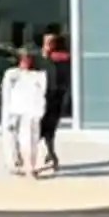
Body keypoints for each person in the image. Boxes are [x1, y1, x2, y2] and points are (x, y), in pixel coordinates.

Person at [2, 49, 48, 178]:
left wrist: (41, 111)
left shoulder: (38, 75)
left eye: (29, 59)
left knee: (32, 140)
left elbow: (42, 93)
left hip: (32, 112)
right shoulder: (12, 75)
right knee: (18, 138)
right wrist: (8, 114)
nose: (26, 62)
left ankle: (30, 166)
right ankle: (19, 163)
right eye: (24, 59)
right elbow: (7, 95)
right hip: (17, 111)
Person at [38, 32, 72, 171]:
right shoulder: (39, 59)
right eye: (46, 42)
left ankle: (50, 154)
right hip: (39, 99)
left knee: (49, 128)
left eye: (50, 42)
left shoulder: (61, 59)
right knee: (38, 129)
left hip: (55, 98)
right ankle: (46, 154)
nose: (47, 45)